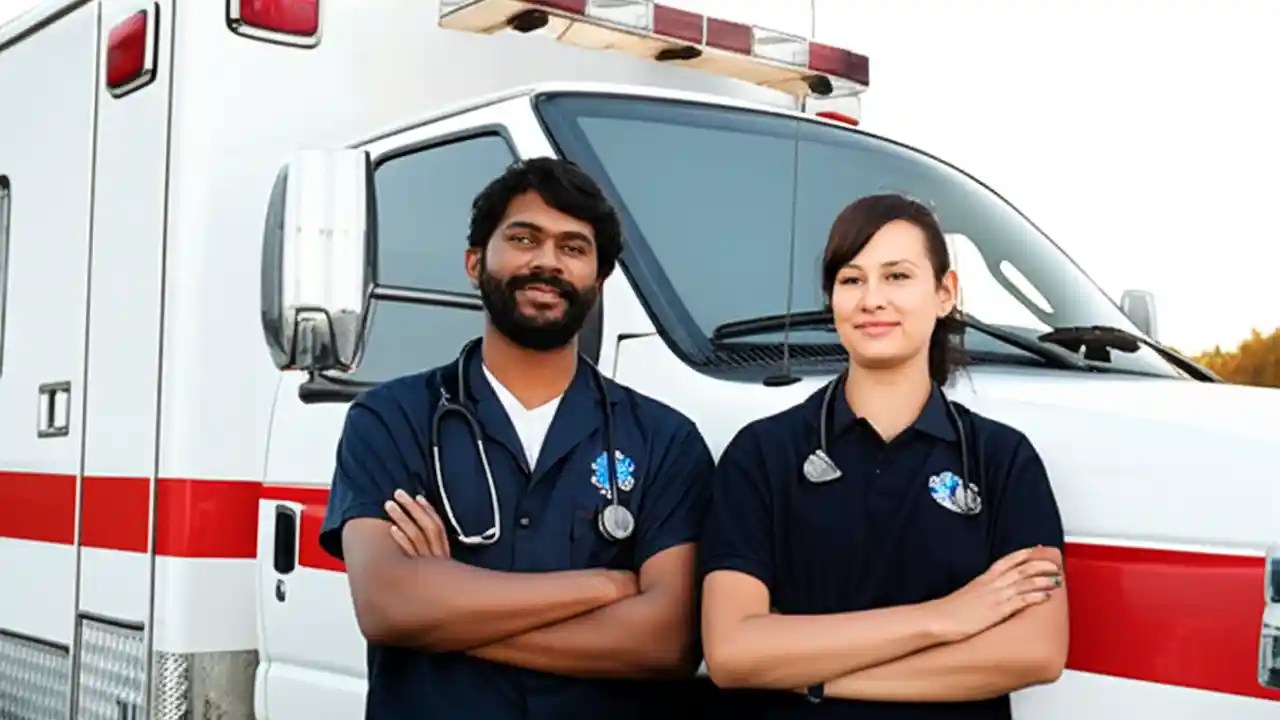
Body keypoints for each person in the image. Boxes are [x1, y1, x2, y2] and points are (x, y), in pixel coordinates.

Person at [318, 157, 716, 719]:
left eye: (574, 248)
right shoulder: (390, 419)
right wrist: (605, 586)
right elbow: (387, 605)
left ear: (598, 280)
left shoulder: (664, 440)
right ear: (475, 263)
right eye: (524, 238)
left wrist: (446, 609)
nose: (547, 261)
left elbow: (666, 639)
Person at [698, 193, 1069, 719]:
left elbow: (1035, 651)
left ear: (945, 293)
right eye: (852, 280)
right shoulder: (763, 453)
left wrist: (812, 676)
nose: (872, 299)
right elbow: (733, 653)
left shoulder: (1002, 459)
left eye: (897, 276)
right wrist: (944, 618)